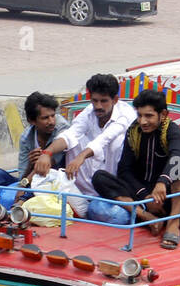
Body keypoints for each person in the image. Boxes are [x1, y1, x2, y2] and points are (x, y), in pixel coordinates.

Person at [92, 89, 180, 249]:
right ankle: (147, 217)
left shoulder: (172, 130)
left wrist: (162, 182)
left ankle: (174, 222)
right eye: (139, 115)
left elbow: (176, 155)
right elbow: (124, 170)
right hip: (143, 198)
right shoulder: (133, 131)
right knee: (99, 177)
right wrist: (146, 197)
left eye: (149, 116)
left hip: (169, 198)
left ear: (163, 114)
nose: (143, 121)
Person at [35, 73, 136, 224]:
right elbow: (70, 134)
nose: (98, 106)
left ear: (115, 100)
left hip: (113, 191)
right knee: (73, 139)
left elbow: (105, 138)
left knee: (110, 213)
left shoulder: (126, 115)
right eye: (95, 100)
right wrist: (46, 153)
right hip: (82, 191)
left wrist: (81, 157)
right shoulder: (89, 112)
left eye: (104, 101)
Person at [0, 90, 68, 209]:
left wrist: (23, 186)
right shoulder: (26, 138)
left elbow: (48, 165)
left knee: (35, 183)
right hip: (31, 180)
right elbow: (23, 176)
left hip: (55, 179)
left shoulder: (62, 127)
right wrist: (30, 165)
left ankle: (16, 207)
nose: (52, 121)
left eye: (53, 116)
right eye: (45, 118)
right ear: (32, 121)